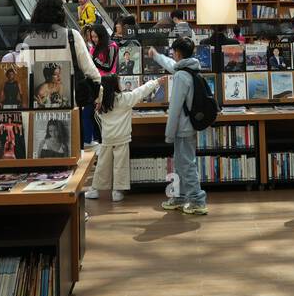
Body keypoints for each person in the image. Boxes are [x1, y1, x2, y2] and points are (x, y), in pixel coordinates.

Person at [147, 36, 208, 215]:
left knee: (186, 164)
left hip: (183, 128)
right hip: (189, 126)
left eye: (173, 52)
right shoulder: (190, 68)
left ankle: (197, 200)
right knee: (182, 164)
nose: (172, 55)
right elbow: (171, 65)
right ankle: (180, 197)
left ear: (179, 53)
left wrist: (169, 133)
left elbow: (174, 108)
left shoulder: (181, 76)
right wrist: (157, 56)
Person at [87, 74, 165, 203]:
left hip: (107, 138)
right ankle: (117, 192)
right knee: (120, 165)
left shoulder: (101, 102)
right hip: (122, 138)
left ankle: (95, 189)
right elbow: (141, 91)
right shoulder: (125, 99)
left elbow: (97, 116)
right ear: (116, 85)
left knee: (102, 164)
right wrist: (156, 82)